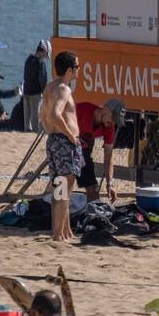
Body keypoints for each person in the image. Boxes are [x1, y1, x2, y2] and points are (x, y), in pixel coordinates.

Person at [42, 51, 82, 243]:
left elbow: (43, 115)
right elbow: (56, 114)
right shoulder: (64, 89)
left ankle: (64, 231)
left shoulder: (50, 87)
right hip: (65, 143)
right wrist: (69, 135)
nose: (78, 71)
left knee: (59, 188)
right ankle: (58, 234)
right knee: (65, 189)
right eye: (77, 67)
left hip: (54, 140)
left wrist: (51, 132)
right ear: (69, 70)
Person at [76, 98, 124, 203]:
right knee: (61, 184)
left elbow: (108, 156)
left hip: (82, 148)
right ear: (106, 109)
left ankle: (93, 215)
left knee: (93, 188)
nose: (113, 123)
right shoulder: (82, 109)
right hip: (66, 143)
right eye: (113, 118)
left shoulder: (109, 127)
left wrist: (109, 183)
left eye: (116, 121)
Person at [22, 41, 50, 133]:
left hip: (26, 91)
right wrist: (44, 92)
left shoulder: (28, 59)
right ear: (45, 51)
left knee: (27, 118)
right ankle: (35, 132)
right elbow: (43, 79)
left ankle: (27, 131)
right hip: (35, 93)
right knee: (35, 117)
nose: (46, 57)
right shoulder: (41, 62)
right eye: (47, 54)